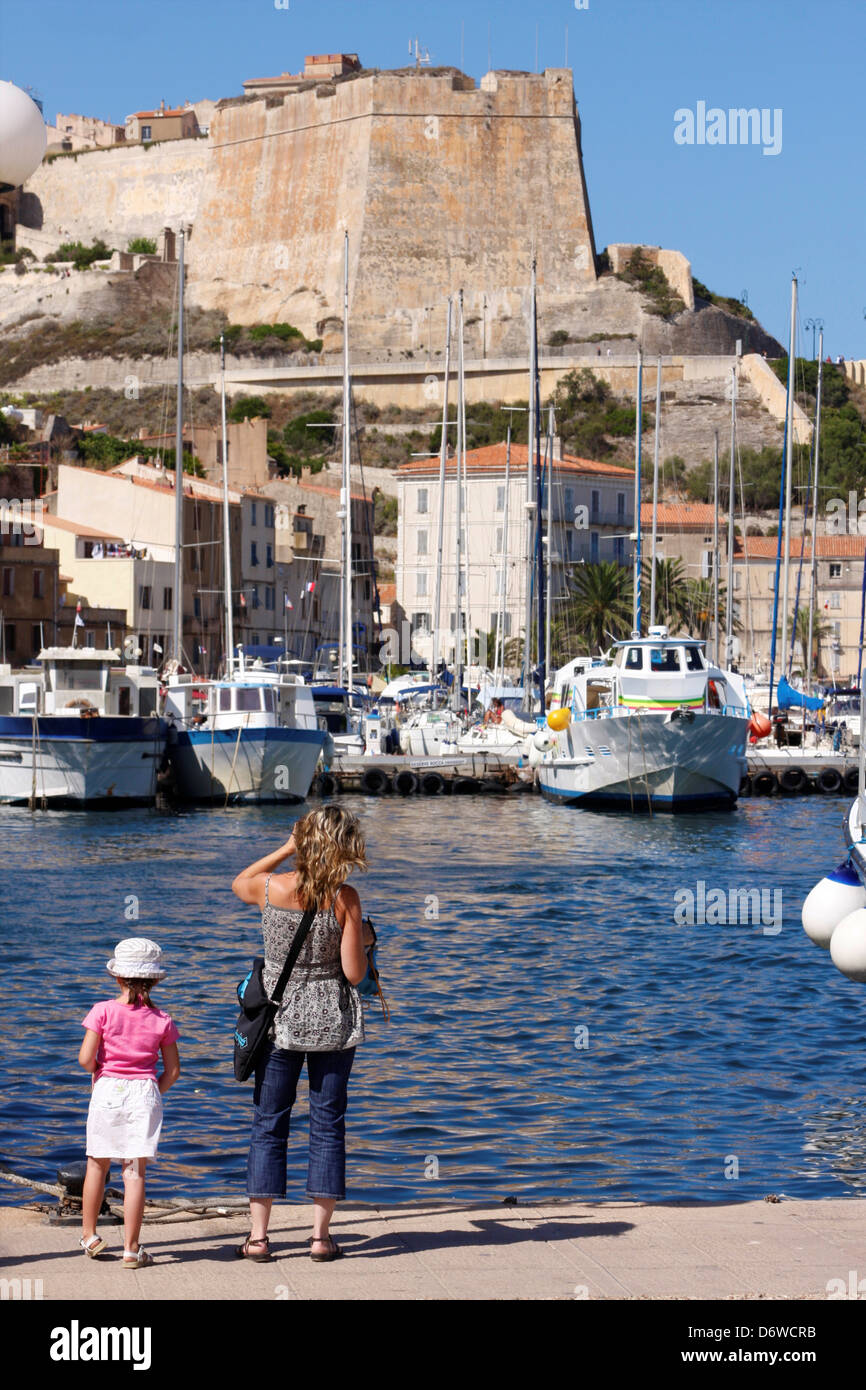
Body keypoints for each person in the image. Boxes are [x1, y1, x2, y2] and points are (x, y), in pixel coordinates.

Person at [231, 807, 368, 1263]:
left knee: (269, 1124)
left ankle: (258, 1238)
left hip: (279, 1020)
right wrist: (363, 942)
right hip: (332, 1021)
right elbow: (353, 974)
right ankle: (320, 1239)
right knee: (327, 1125)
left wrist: (287, 848)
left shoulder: (271, 888)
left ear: (306, 841)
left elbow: (239, 882)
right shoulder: (344, 897)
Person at [78, 938, 180, 1267]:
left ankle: (90, 1234)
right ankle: (132, 1249)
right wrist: (152, 1092)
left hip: (108, 1089)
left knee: (97, 1164)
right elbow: (174, 1070)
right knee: (134, 1172)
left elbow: (84, 1059)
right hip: (144, 1092)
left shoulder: (102, 1011)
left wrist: (101, 1073)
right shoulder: (162, 1019)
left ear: (118, 978)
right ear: (153, 981)